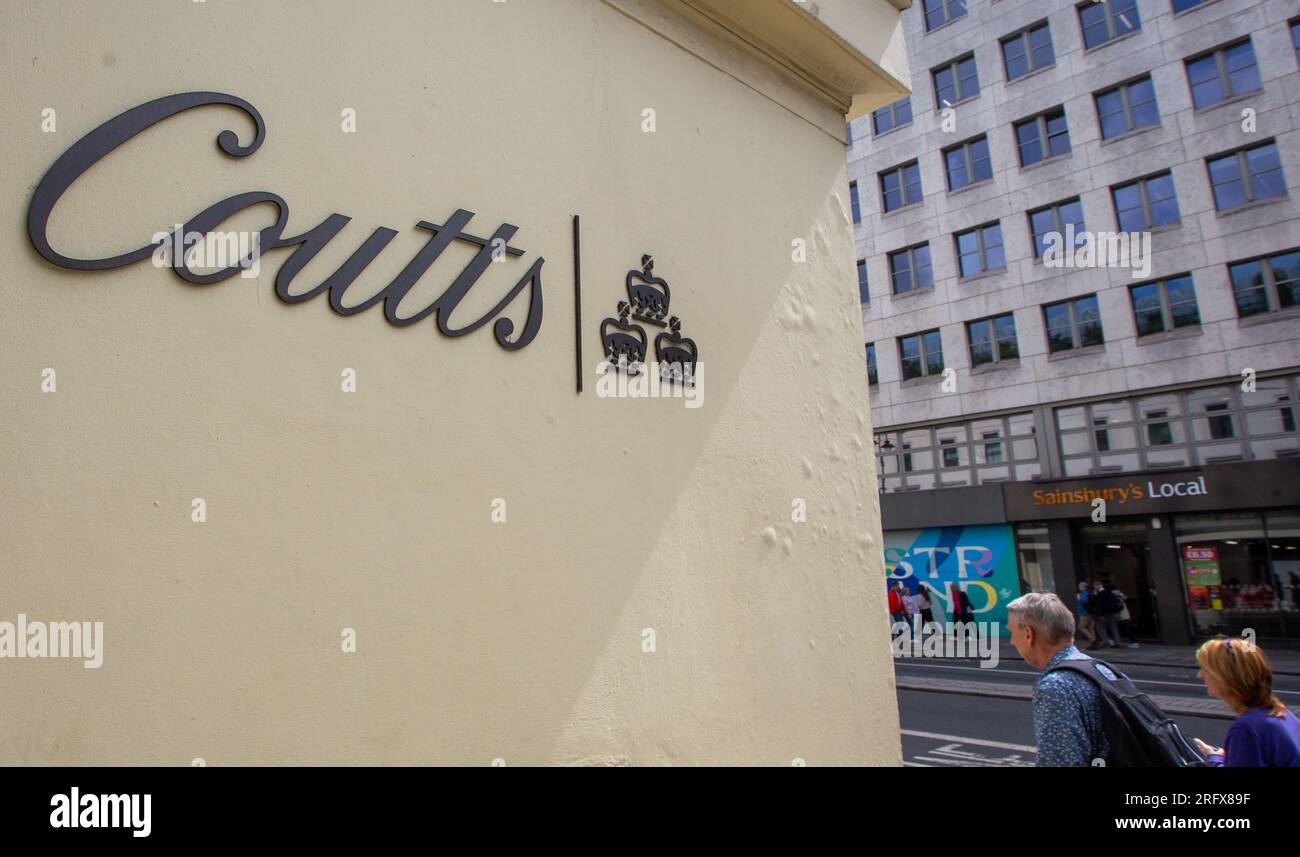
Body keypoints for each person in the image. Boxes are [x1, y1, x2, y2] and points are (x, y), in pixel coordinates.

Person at [1006, 592, 1108, 767]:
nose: (1011, 642)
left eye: (1012, 632)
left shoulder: (1055, 686)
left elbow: (1061, 761)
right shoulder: (1102, 669)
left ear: (1028, 634)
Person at [1192, 637, 1300, 767]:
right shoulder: (1283, 714)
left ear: (1225, 677)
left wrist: (1214, 759)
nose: (1200, 675)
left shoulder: (1246, 728)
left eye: (1205, 669)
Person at [1089, 583, 1123, 650]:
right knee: (1114, 628)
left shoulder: (1099, 595)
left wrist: (1100, 614)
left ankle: (1105, 642)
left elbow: (1097, 604)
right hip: (1111, 614)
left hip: (1103, 614)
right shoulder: (1109, 593)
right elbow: (1116, 602)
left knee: (1101, 628)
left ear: (1097, 586)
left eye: (1095, 586)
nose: (1094, 587)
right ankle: (1117, 643)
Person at [1075, 581, 1096, 649]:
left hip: (1084, 613)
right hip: (1092, 613)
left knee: (1081, 627)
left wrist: (1079, 598)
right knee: (1091, 628)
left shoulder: (1083, 593)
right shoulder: (1091, 592)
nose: (1079, 588)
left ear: (1083, 587)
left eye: (1080, 586)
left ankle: (1092, 640)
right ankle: (1093, 642)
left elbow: (1084, 601)